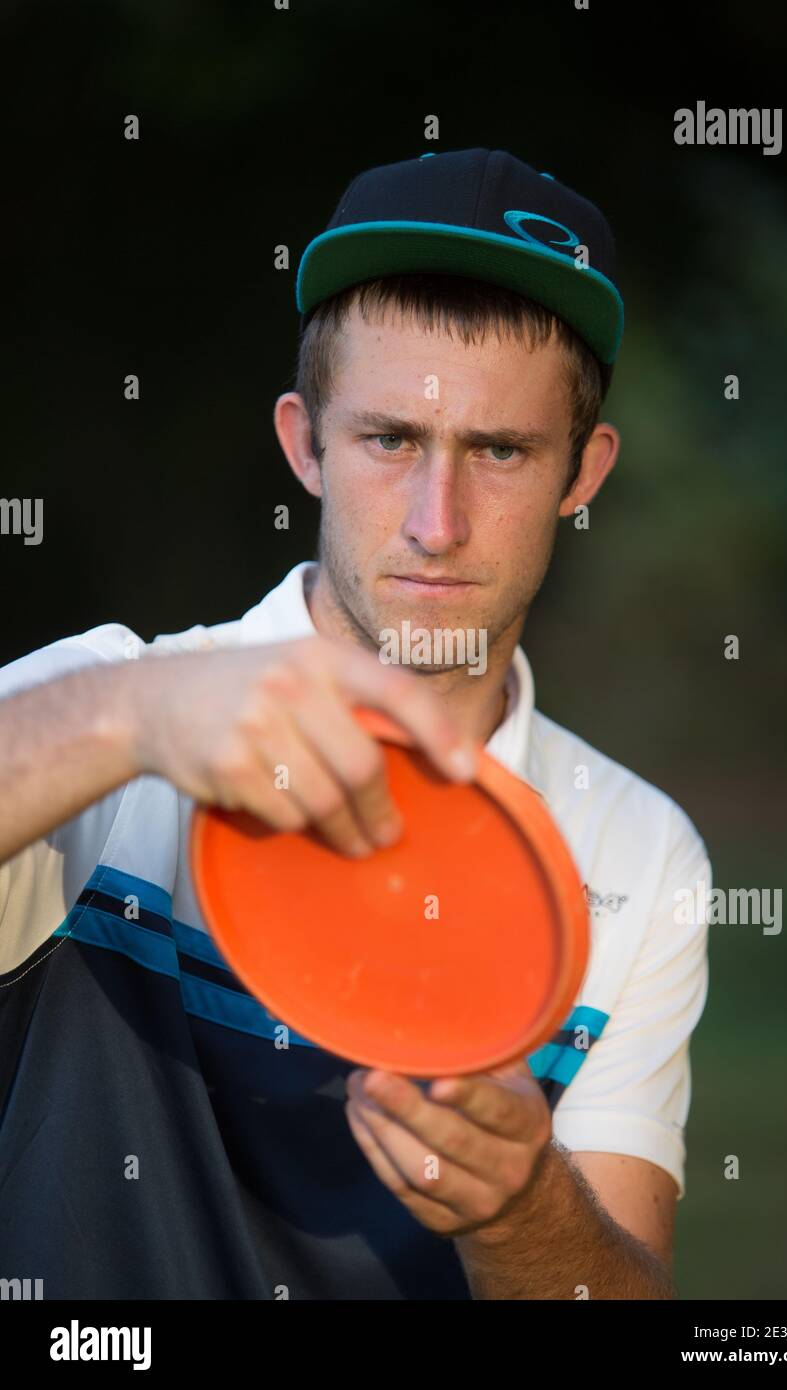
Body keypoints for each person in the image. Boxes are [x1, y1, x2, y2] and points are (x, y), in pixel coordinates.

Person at [0, 148, 710, 1300]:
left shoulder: (637, 849)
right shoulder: (109, 707)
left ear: (583, 472)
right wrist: (128, 719)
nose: (438, 523)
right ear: (304, 444)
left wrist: (520, 1206)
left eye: (499, 450)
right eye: (390, 440)